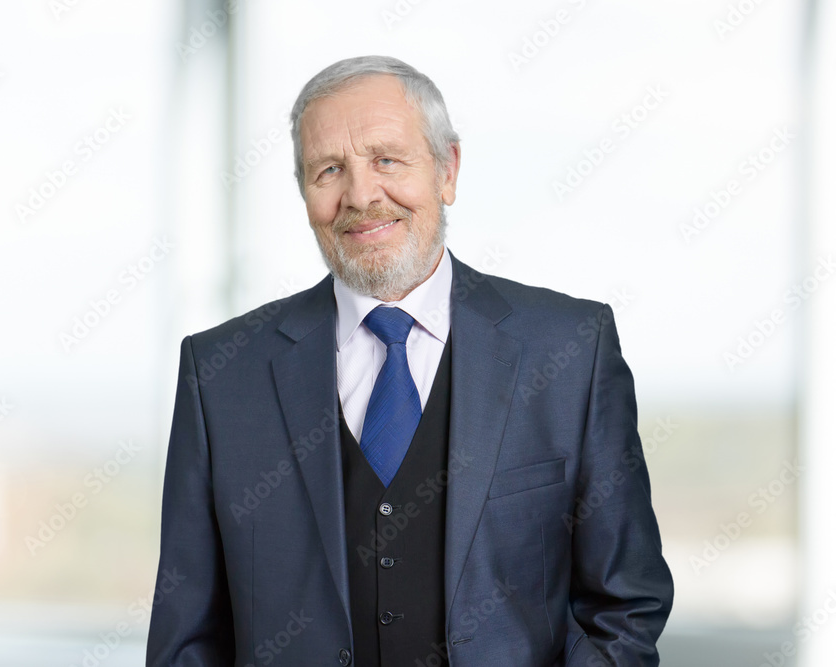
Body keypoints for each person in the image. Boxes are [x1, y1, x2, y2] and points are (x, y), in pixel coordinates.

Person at [146, 55, 673, 667]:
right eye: (328, 170)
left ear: (447, 171)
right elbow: (186, 639)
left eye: (387, 159)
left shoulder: (570, 349)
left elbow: (625, 609)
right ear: (304, 192)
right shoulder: (220, 374)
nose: (362, 194)